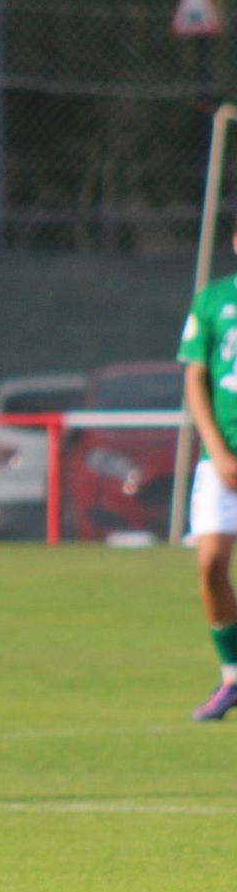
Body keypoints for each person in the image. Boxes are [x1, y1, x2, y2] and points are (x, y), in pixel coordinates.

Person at [179, 230, 237, 721]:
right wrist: (218, 453)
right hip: (221, 461)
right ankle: (233, 677)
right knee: (210, 566)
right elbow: (194, 378)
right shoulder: (213, 299)